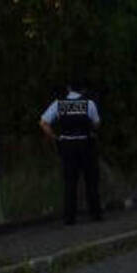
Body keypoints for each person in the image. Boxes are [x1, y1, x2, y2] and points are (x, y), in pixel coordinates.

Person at [39, 80, 102, 226]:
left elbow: (43, 122)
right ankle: (95, 213)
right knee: (91, 180)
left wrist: (55, 137)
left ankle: (69, 217)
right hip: (86, 144)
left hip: (67, 145)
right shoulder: (88, 104)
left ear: (68, 88)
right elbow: (96, 123)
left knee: (70, 182)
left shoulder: (59, 104)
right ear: (83, 89)